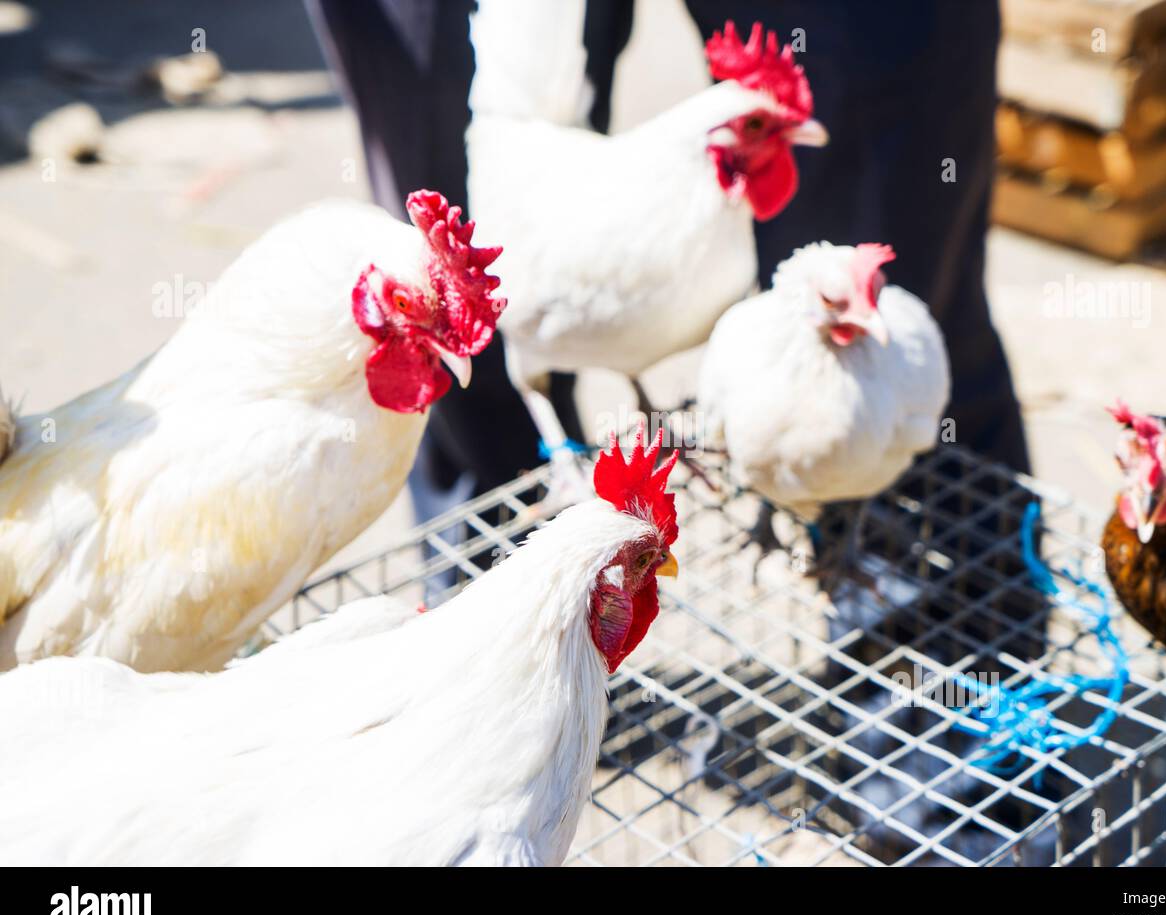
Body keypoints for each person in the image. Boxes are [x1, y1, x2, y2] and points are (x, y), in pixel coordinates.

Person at [308, 0, 1028, 532]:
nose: (792, 132)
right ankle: (498, 580)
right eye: (756, 128)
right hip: (523, 194)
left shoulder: (713, 256)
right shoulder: (560, 267)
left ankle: (917, 615)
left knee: (879, 141)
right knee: (425, 178)